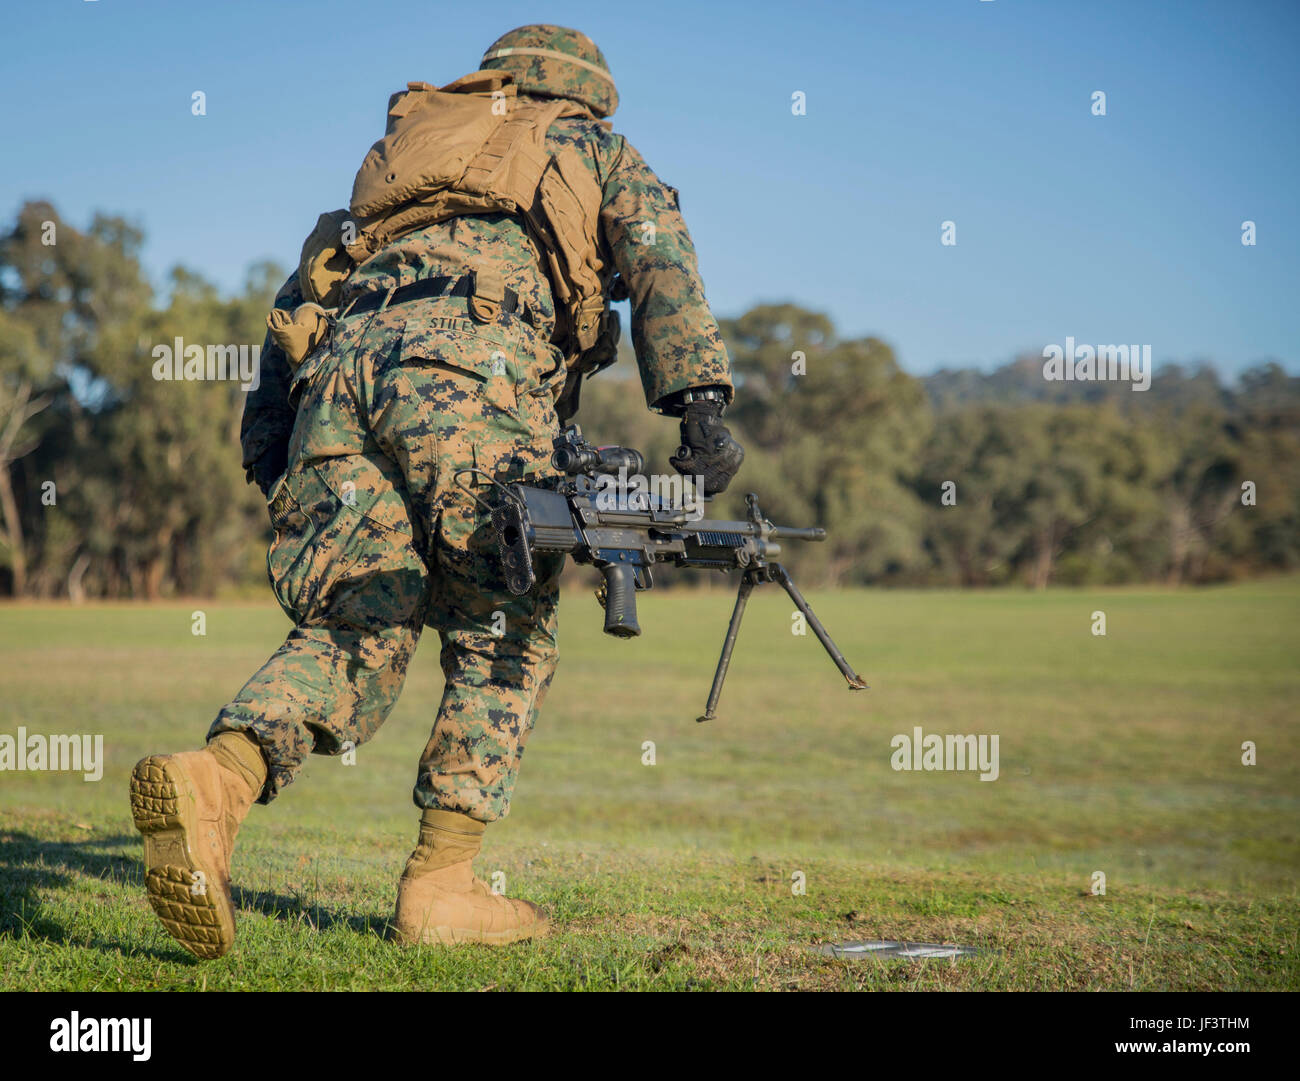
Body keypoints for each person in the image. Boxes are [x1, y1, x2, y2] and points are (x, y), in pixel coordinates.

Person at [129, 23, 744, 959]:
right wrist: (699, 402)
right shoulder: (581, 140)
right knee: (503, 620)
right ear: (583, 89)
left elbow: (301, 293)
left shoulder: (409, 155)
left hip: (337, 382)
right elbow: (658, 249)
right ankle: (444, 885)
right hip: (476, 364)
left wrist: (273, 439)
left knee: (358, 616)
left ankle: (216, 781)